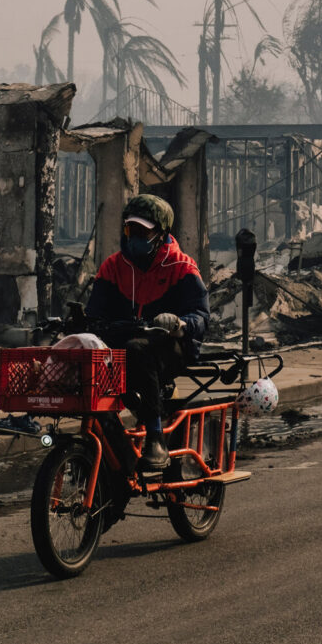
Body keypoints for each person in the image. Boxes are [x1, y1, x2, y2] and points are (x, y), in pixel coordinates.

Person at [84, 194, 209, 472]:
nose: (135, 237)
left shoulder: (182, 266)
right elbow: (94, 314)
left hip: (169, 350)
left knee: (136, 350)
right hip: (121, 346)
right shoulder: (112, 267)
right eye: (130, 230)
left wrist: (179, 324)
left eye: (143, 231)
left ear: (161, 233)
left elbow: (201, 316)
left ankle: (156, 437)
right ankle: (117, 464)